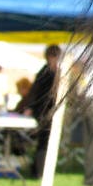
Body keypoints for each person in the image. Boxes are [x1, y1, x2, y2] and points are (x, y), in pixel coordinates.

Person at [23, 44, 61, 178]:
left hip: (49, 112)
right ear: (51, 57)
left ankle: (40, 170)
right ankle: (38, 171)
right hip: (43, 112)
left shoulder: (54, 72)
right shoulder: (45, 72)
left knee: (45, 142)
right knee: (44, 142)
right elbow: (36, 93)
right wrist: (31, 108)